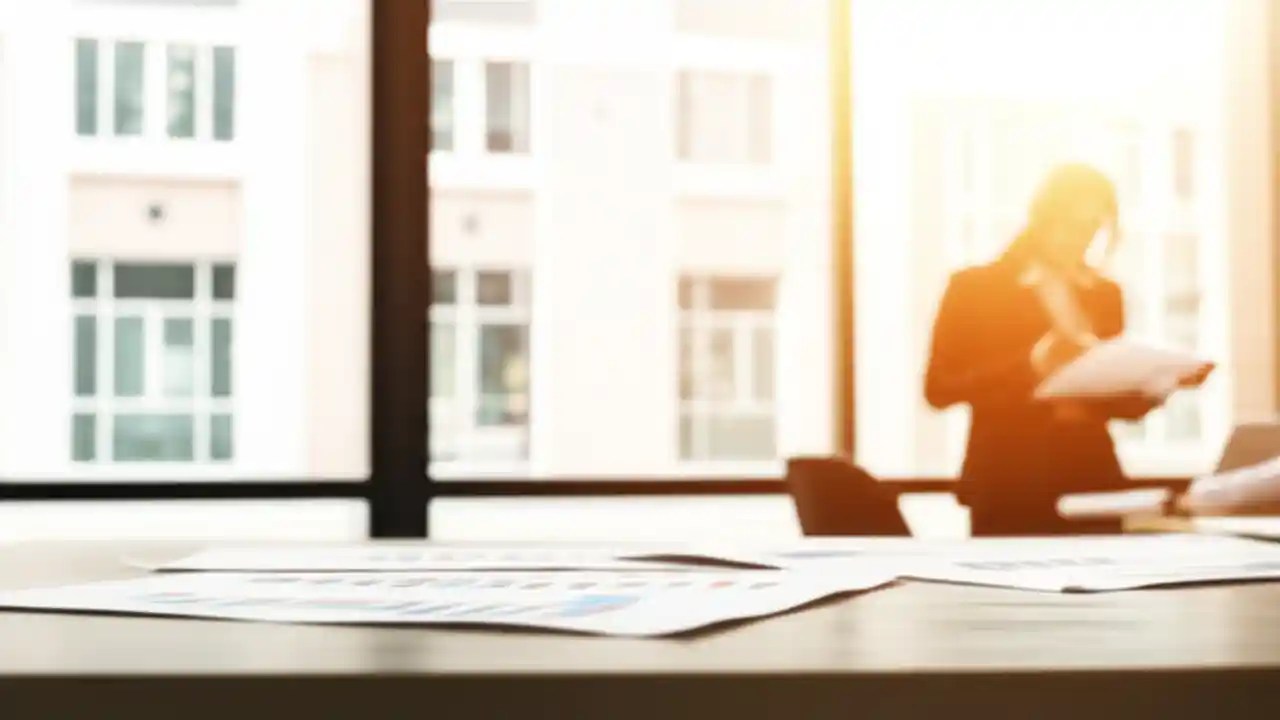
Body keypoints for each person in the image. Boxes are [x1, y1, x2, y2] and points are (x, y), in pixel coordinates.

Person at [924, 163, 1168, 536]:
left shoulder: (1104, 294)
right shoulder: (975, 288)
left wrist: (1149, 388)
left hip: (1092, 479)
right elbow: (939, 388)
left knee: (1107, 591)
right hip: (1008, 480)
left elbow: (1107, 399)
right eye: (1070, 224)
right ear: (1042, 217)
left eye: (1091, 227)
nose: (1079, 238)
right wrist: (1031, 365)